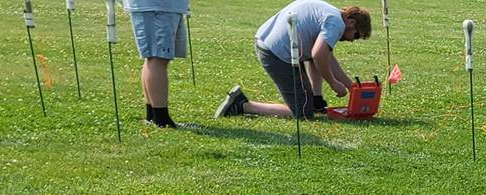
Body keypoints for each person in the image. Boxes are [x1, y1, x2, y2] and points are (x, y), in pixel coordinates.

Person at [213, 3, 372, 121]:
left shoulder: (329, 12)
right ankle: (242, 105)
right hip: (276, 54)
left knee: (310, 101)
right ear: (351, 22)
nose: (352, 40)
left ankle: (316, 100)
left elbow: (325, 57)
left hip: (269, 42)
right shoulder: (336, 23)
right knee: (304, 113)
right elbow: (318, 55)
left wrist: (350, 86)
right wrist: (333, 83)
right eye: (356, 35)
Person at [125, 0, 190, 129]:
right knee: (157, 57)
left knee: (157, 58)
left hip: (164, 7)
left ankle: (153, 116)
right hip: (156, 7)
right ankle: (161, 119)